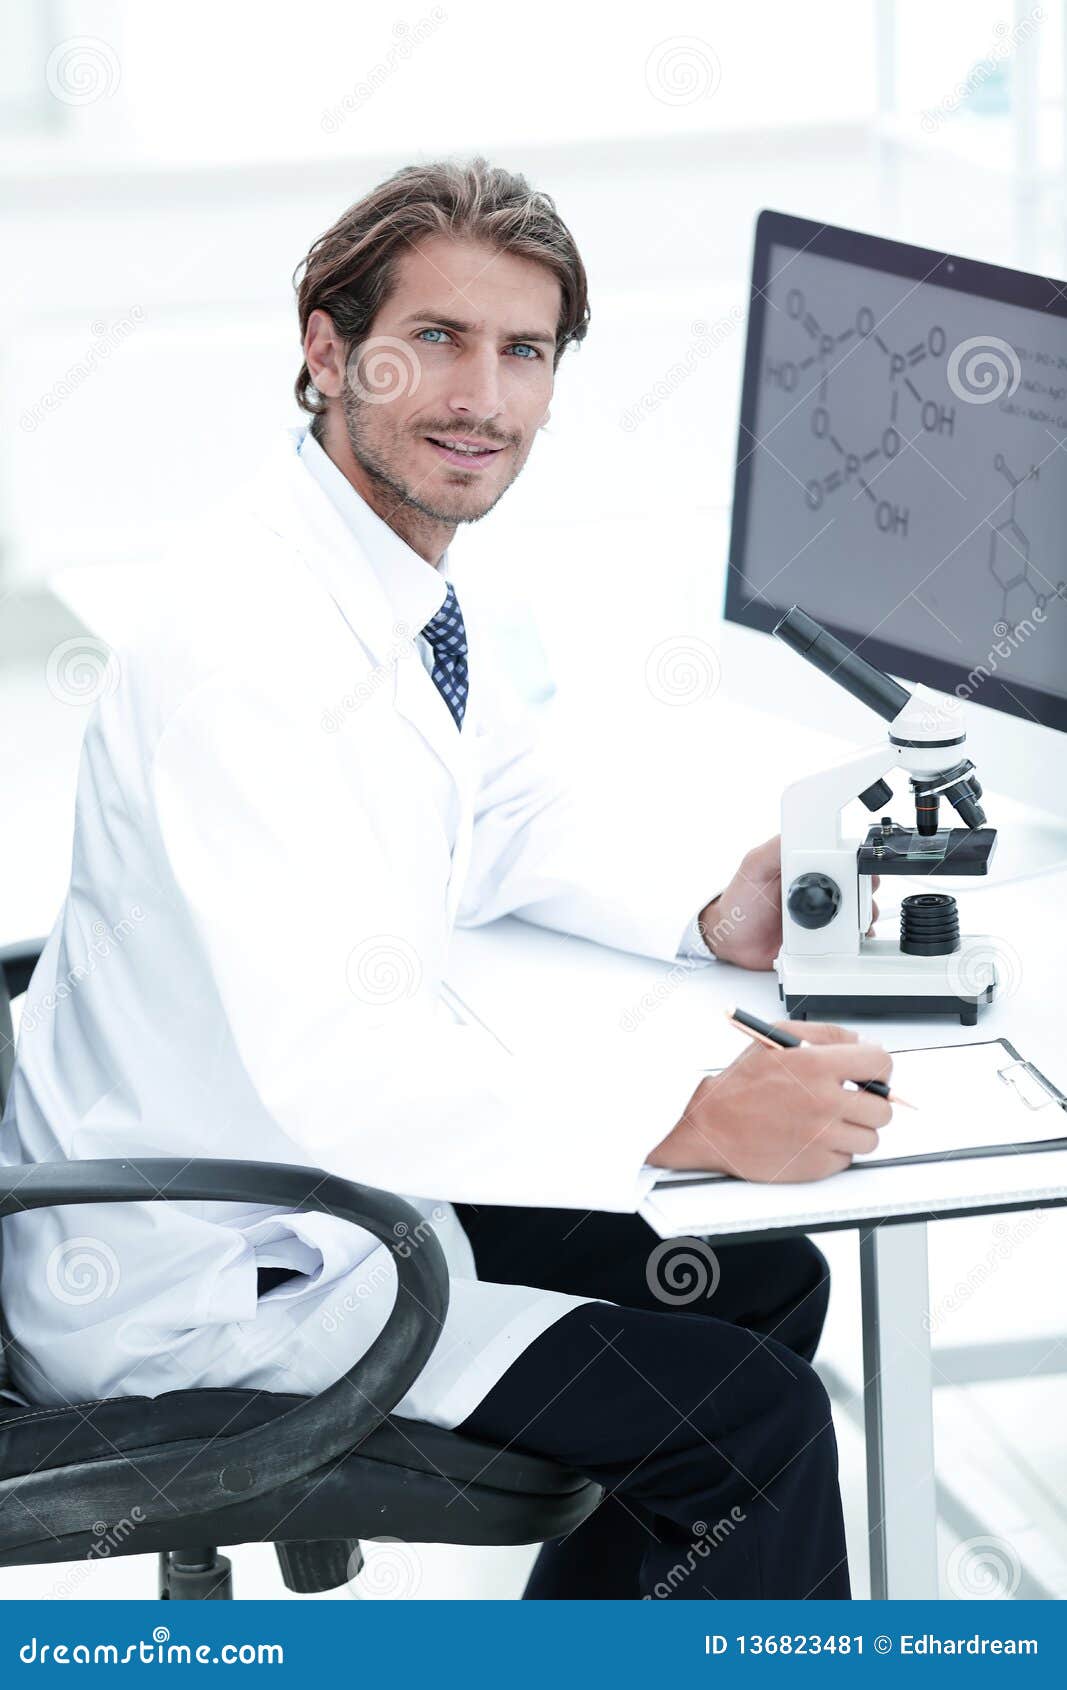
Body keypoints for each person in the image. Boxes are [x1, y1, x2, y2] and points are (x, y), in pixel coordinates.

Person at [0, 158, 891, 1599]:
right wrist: (687, 1112)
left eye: (521, 351)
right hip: (220, 1264)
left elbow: (501, 807)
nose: (479, 394)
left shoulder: (381, 566)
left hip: (290, 1181)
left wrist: (705, 912)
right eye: (437, 340)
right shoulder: (255, 645)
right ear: (328, 346)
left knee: (765, 1271)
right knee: (750, 1427)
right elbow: (337, 1068)